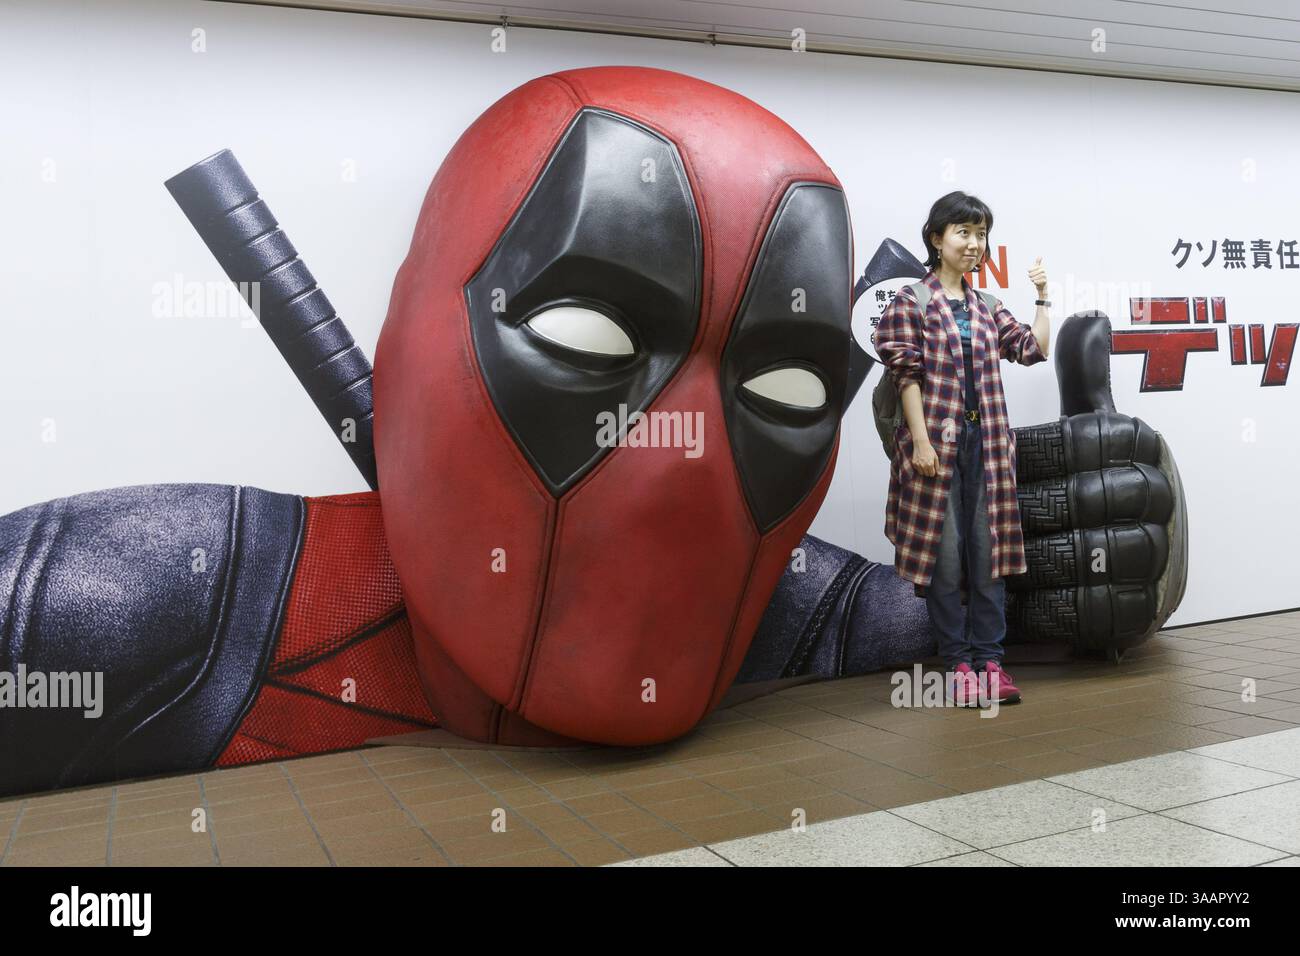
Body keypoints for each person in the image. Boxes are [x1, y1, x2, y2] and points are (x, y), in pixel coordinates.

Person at [874, 191, 1051, 707]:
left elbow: (1033, 349)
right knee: (946, 559)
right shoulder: (914, 301)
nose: (974, 244)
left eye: (981, 235)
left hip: (989, 445)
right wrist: (922, 443)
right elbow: (906, 376)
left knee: (988, 555)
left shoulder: (987, 306)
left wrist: (1042, 297)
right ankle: (957, 665)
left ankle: (991, 662)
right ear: (937, 238)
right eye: (964, 233)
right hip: (936, 446)